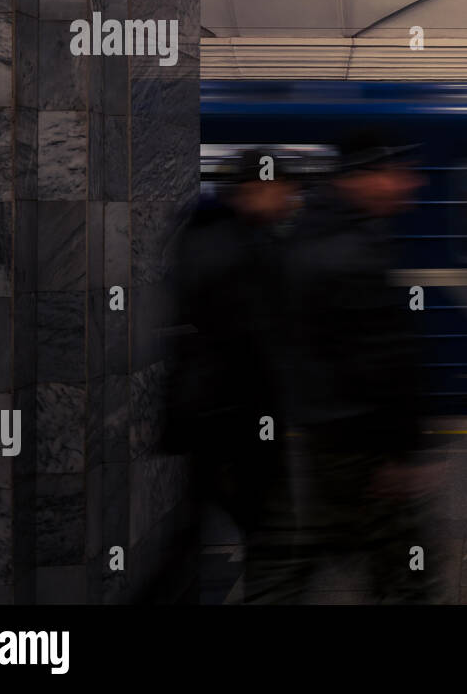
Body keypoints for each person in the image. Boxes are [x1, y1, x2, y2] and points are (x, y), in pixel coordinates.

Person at [244, 129, 442, 604]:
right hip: (360, 445)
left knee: (302, 556)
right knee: (405, 574)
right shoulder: (349, 251)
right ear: (365, 176)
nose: (409, 185)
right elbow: (382, 357)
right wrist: (403, 449)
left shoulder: (315, 231)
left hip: (325, 435)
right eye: (397, 173)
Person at [163, 148, 299, 601]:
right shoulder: (234, 247)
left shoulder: (215, 235)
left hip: (215, 416)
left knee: (198, 536)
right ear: (253, 190)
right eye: (281, 188)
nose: (291, 198)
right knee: (273, 534)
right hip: (232, 419)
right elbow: (253, 340)